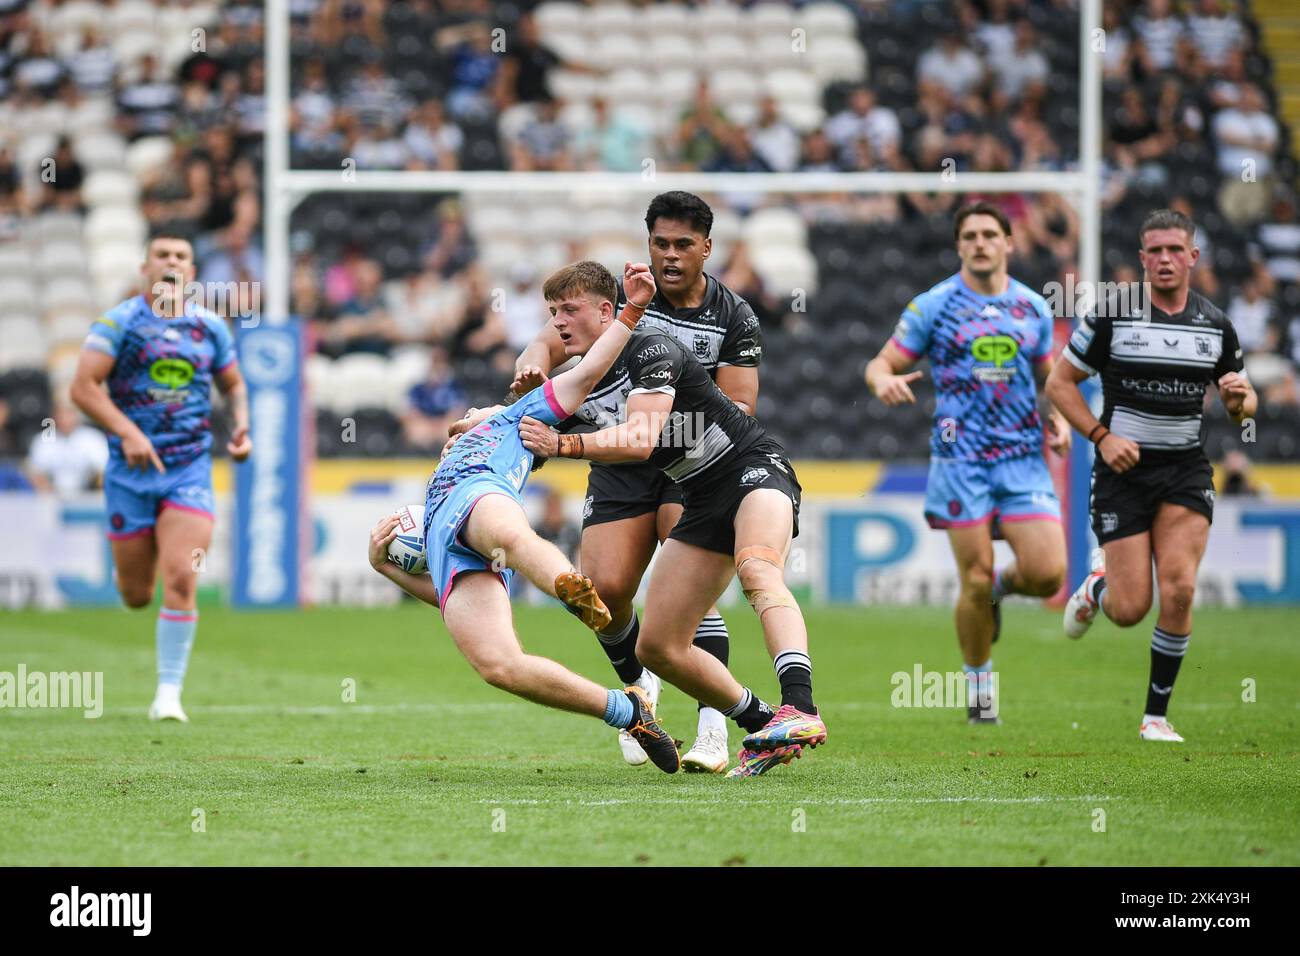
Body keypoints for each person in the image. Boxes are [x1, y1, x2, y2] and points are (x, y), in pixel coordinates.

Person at [370, 261, 681, 772]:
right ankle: (628, 711)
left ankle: (568, 584)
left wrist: (631, 311)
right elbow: (445, 597)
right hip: (443, 536)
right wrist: (385, 567)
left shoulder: (518, 417)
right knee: (499, 666)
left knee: (508, 534)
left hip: (479, 493)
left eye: (474, 412)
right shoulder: (436, 482)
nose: (465, 418)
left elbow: (587, 370)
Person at [518, 265, 826, 778]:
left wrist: (562, 444)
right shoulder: (579, 381)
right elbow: (513, 416)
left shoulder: (650, 348)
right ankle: (764, 723)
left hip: (751, 468)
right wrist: (471, 426)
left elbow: (639, 439)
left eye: (568, 311)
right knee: (657, 647)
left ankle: (801, 707)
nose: (558, 323)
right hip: (701, 496)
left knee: (757, 571)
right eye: (552, 313)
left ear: (605, 312)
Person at [511, 191, 760, 772]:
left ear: (706, 248)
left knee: (687, 582)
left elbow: (741, 406)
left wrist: (664, 419)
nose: (669, 255)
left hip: (686, 456)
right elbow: (552, 337)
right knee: (602, 589)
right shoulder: (623, 301)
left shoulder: (733, 315)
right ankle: (641, 698)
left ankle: (713, 725)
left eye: (681, 245)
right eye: (659, 243)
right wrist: (532, 361)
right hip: (618, 459)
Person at [1048, 208, 1256, 742]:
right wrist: (1101, 437)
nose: (1165, 260)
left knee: (1181, 588)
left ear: (1193, 257)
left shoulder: (1215, 325)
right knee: (1130, 608)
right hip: (1123, 473)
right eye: (1154, 251)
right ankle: (1099, 589)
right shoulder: (1113, 315)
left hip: (1185, 470)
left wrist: (1242, 401)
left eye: (1174, 250)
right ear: (1143, 259)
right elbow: (1060, 385)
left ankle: (1155, 717)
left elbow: (1241, 401)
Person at [865, 201, 1071, 725]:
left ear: (1008, 242)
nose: (980, 243)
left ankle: (1003, 591)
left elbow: (1051, 379)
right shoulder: (933, 306)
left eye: (989, 234)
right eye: (970, 235)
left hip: (1023, 456)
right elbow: (881, 362)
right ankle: (980, 689)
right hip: (961, 460)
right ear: (960, 246)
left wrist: (1061, 418)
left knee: (1049, 575)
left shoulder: (1032, 309)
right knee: (974, 577)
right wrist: (883, 380)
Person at [69, 233, 252, 722]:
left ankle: (168, 695)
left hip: (187, 469)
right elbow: (83, 388)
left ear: (192, 272)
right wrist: (128, 431)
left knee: (180, 576)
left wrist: (241, 426)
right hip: (129, 474)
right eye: (163, 255)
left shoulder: (210, 327)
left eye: (181, 256)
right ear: (145, 268)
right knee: (136, 595)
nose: (172, 263)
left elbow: (234, 385)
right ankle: (130, 569)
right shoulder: (120, 322)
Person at [25, 401, 109, 495]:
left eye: (69, 413)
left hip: (86, 498)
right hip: (52, 498)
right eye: (61, 414)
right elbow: (35, 474)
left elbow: (103, 473)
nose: (65, 419)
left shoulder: (93, 438)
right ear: (54, 416)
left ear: (77, 415)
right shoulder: (42, 440)